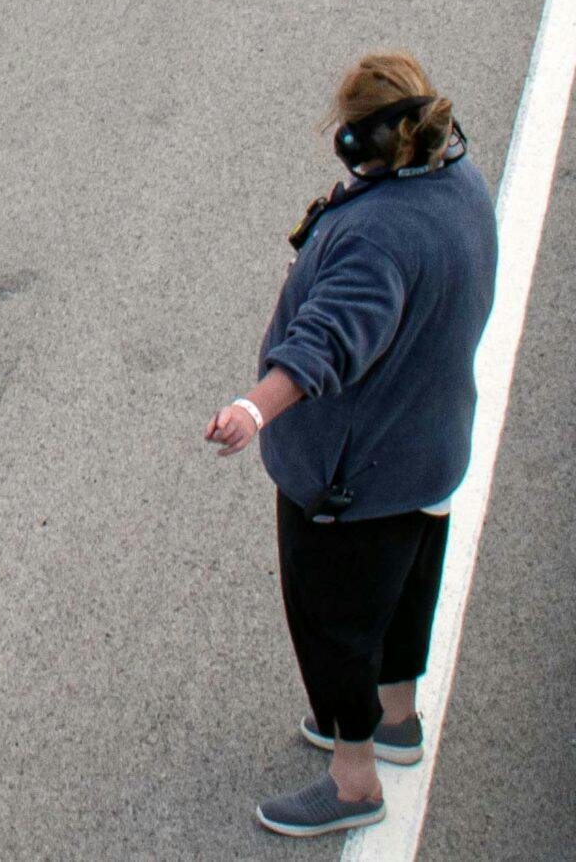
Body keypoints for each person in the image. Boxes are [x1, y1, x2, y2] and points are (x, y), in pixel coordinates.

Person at [204, 55, 498, 839]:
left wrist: (251, 409)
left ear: (353, 138)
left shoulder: (374, 236)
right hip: (429, 450)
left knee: (334, 624)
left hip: (352, 481)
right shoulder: (461, 187)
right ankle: (397, 722)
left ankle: (354, 776)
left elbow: (325, 343)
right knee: (406, 593)